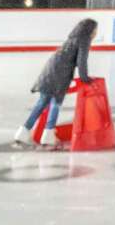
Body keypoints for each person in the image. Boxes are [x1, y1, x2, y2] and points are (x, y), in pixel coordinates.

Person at [12, 18, 97, 149]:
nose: (96, 32)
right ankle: (48, 135)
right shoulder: (84, 40)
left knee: (42, 102)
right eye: (95, 29)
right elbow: (81, 61)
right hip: (60, 74)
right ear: (90, 30)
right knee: (55, 104)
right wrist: (85, 78)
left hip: (50, 71)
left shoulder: (72, 38)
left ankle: (23, 133)